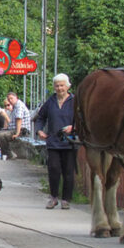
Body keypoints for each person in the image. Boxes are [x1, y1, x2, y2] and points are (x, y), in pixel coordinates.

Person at [35, 73, 75, 210]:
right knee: (53, 169)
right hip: (53, 141)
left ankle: (66, 199)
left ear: (67, 86)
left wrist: (73, 127)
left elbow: (83, 120)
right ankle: (53, 197)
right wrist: (39, 131)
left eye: (62, 85)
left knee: (68, 172)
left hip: (70, 142)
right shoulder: (50, 101)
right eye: (57, 86)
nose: (59, 88)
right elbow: (40, 117)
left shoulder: (74, 101)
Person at [0, 91, 32, 160]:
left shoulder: (19, 105)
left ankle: (9, 154)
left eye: (11, 98)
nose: (10, 100)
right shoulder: (15, 107)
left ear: (16, 97)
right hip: (14, 129)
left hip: (22, 130)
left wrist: (17, 133)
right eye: (8, 99)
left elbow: (19, 119)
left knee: (2, 135)